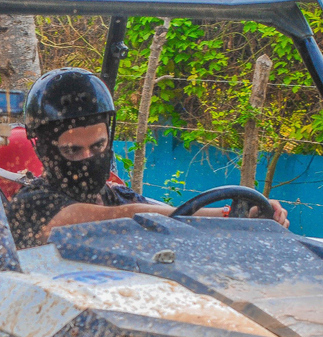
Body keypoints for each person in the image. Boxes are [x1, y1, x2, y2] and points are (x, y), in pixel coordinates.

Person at [7, 68, 289, 249]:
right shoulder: (30, 205)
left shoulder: (116, 194)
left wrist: (243, 215)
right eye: (73, 151)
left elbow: (179, 213)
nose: (88, 159)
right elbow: (122, 218)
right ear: (45, 150)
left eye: (98, 145)